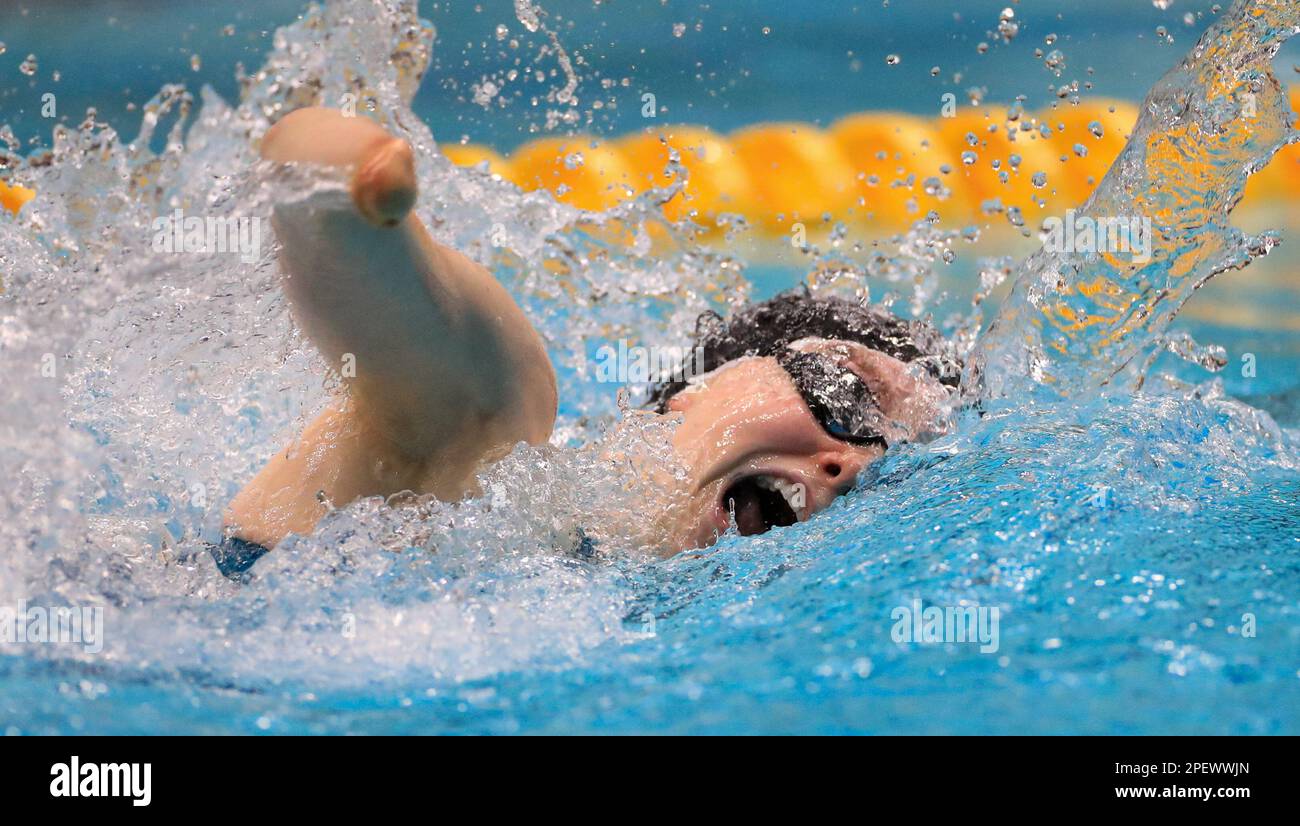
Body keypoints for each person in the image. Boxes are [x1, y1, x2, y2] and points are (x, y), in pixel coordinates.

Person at [215, 108, 959, 578]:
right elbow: (313, 167)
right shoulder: (492, 440)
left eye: (892, 465)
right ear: (707, 382)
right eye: (848, 397)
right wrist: (362, 188)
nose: (851, 461)